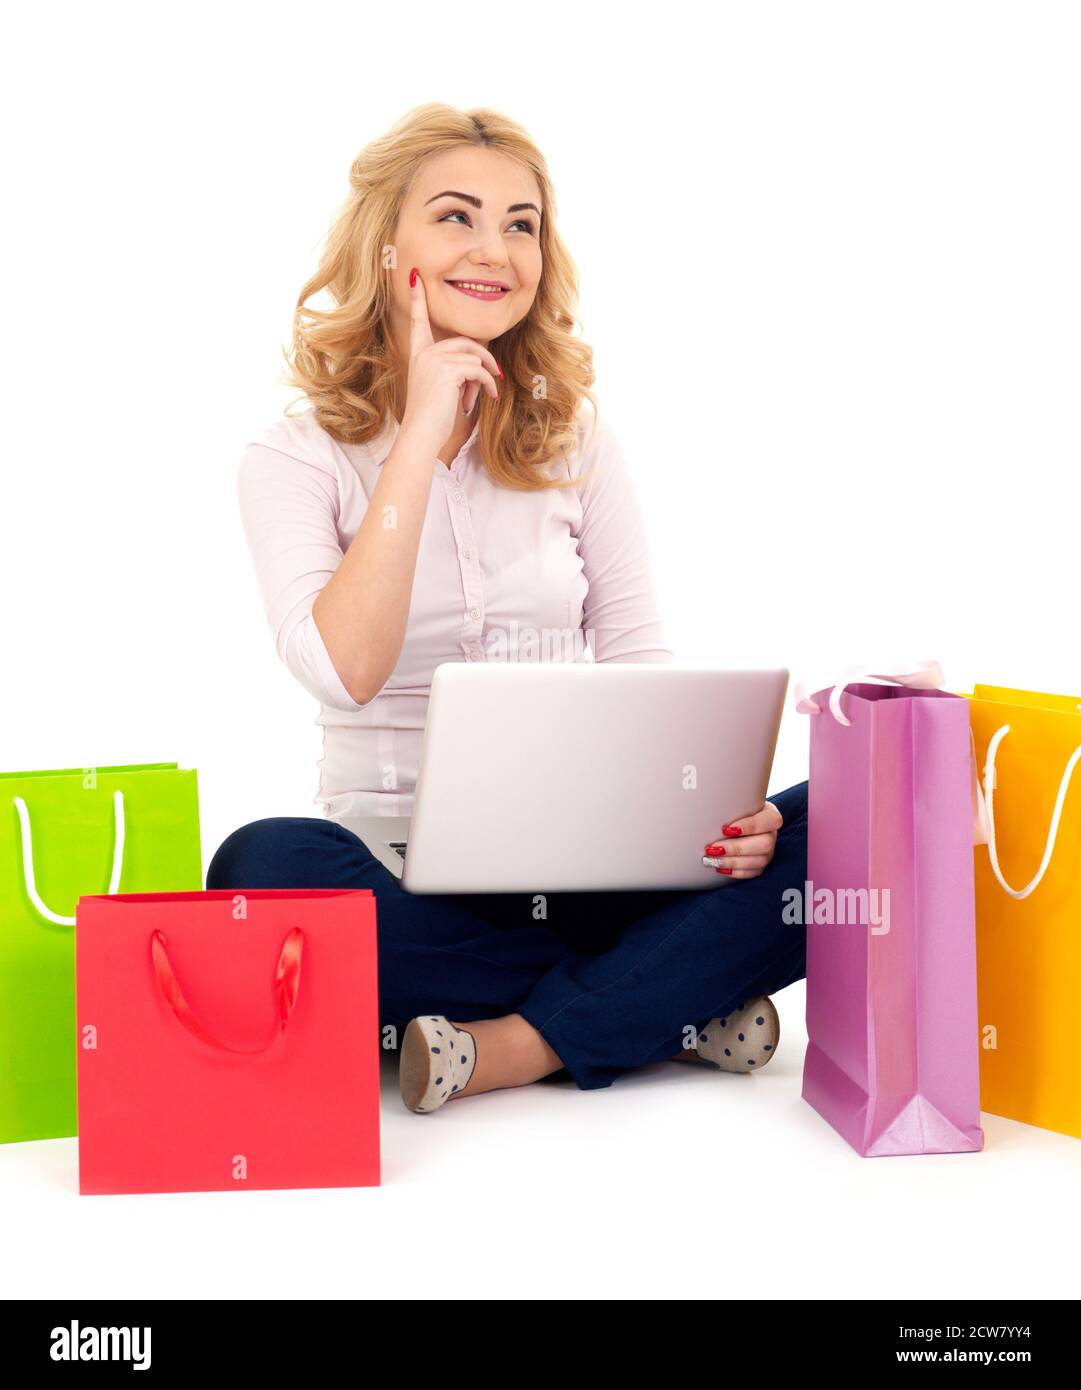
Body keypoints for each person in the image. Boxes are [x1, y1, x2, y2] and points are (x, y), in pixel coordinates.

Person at [207, 102, 808, 1114]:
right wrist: (417, 437)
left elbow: (636, 670)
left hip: (585, 862)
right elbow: (341, 665)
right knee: (256, 866)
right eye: (456, 216)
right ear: (386, 242)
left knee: (835, 831)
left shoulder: (576, 442)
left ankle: (510, 1044)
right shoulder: (292, 456)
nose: (495, 249)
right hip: (393, 872)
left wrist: (702, 812)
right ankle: (665, 999)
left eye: (521, 224)